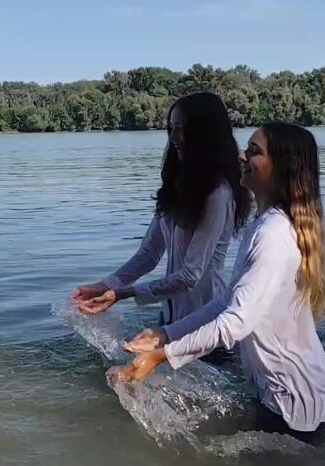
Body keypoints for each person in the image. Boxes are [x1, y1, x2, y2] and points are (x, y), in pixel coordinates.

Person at [112, 122, 325, 443]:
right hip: (290, 398)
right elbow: (228, 303)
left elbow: (234, 323)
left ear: (282, 168)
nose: (241, 155)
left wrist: (161, 357)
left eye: (254, 151)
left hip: (298, 407)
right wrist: (165, 334)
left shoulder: (272, 234)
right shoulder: (266, 224)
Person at [73, 92, 252, 330]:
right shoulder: (178, 188)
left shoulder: (219, 194)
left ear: (204, 134)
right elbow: (149, 253)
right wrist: (106, 285)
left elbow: (191, 276)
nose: (174, 137)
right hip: (169, 318)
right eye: (171, 128)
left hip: (207, 323)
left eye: (181, 128)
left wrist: (123, 293)